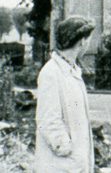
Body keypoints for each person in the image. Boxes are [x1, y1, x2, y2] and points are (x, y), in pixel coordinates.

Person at [34, 16, 95, 173]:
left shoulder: (72, 71)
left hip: (74, 165)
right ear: (81, 41)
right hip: (59, 165)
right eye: (88, 39)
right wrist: (66, 149)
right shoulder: (51, 73)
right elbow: (48, 120)